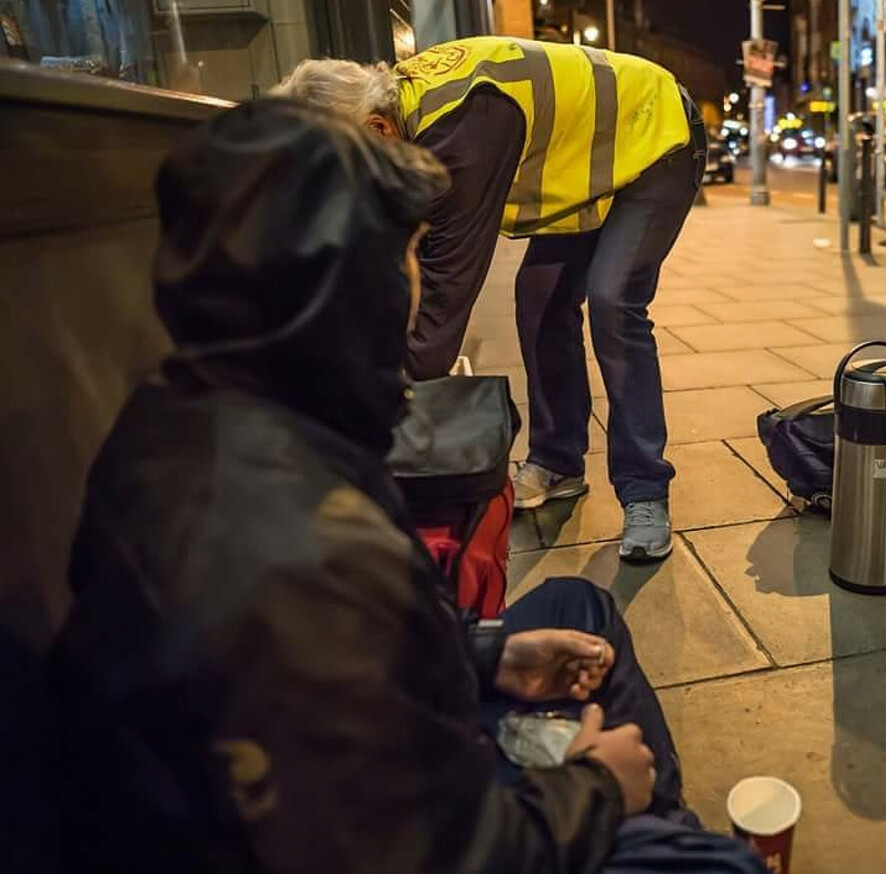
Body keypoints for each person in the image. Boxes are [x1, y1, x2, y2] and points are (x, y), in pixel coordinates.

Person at [47, 99, 763, 874]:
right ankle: (660, 836)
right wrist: (594, 788)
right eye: (407, 255)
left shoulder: (191, 410)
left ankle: (656, 828)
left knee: (579, 608)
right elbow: (428, 854)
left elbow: (353, 666)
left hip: (339, 769)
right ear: (351, 288)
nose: (417, 282)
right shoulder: (306, 551)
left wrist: (487, 654)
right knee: (719, 867)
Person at [274, 36, 707, 563]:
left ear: (376, 130)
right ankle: (558, 461)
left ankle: (644, 490)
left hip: (655, 136)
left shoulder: (461, 135)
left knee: (613, 300)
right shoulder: (405, 118)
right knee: (539, 300)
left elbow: (442, 303)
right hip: (592, 163)